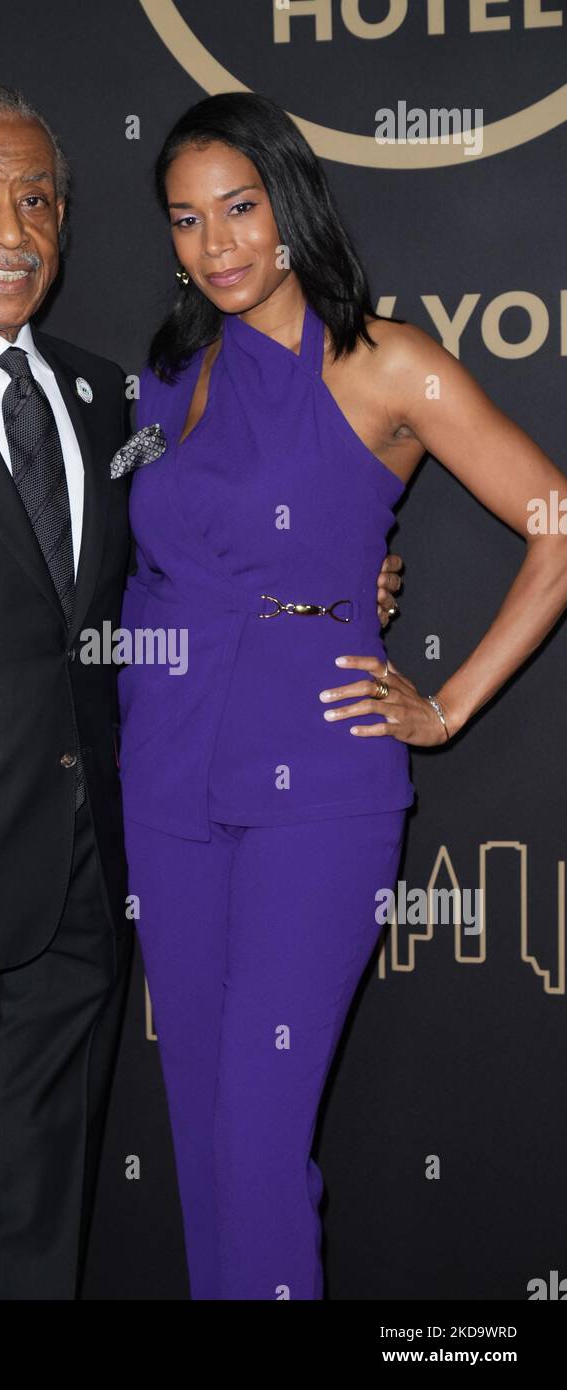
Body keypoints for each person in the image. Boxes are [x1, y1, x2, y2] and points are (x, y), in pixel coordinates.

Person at [0, 78, 401, 1301]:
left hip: (86, 886)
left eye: (39, 199)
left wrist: (341, 578)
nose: (11, 226)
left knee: (38, 1219)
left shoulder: (114, 399)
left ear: (64, 226)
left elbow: (193, 562)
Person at [118, 92, 567, 1300]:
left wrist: (450, 703)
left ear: (289, 203)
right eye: (185, 220)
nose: (215, 245)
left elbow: (554, 524)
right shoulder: (166, 382)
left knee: (258, 1139)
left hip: (313, 778)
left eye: (238, 209)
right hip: (162, 771)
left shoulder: (385, 359)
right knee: (207, 1146)